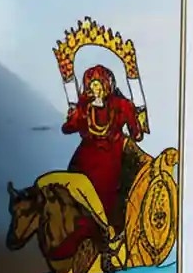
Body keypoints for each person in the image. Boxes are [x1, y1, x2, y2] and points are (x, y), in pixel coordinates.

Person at [60, 64, 143, 242]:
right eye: (92, 85)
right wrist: (72, 115)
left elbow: (136, 131)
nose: (95, 89)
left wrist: (137, 122)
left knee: (107, 190)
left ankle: (109, 232)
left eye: (98, 84)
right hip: (87, 154)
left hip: (111, 155)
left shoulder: (120, 105)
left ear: (106, 84)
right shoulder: (84, 107)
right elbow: (68, 128)